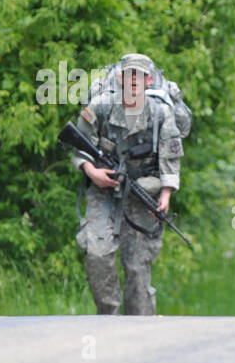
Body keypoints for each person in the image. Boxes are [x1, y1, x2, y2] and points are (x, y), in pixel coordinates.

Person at [68, 53, 184, 315]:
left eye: (140, 76)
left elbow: (170, 159)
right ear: (120, 78)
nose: (134, 80)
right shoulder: (100, 107)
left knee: (137, 267)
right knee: (97, 253)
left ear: (149, 80)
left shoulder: (160, 114)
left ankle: (140, 327)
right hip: (103, 191)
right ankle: (108, 316)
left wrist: (165, 196)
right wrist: (92, 172)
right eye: (129, 74)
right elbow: (78, 147)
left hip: (143, 194)